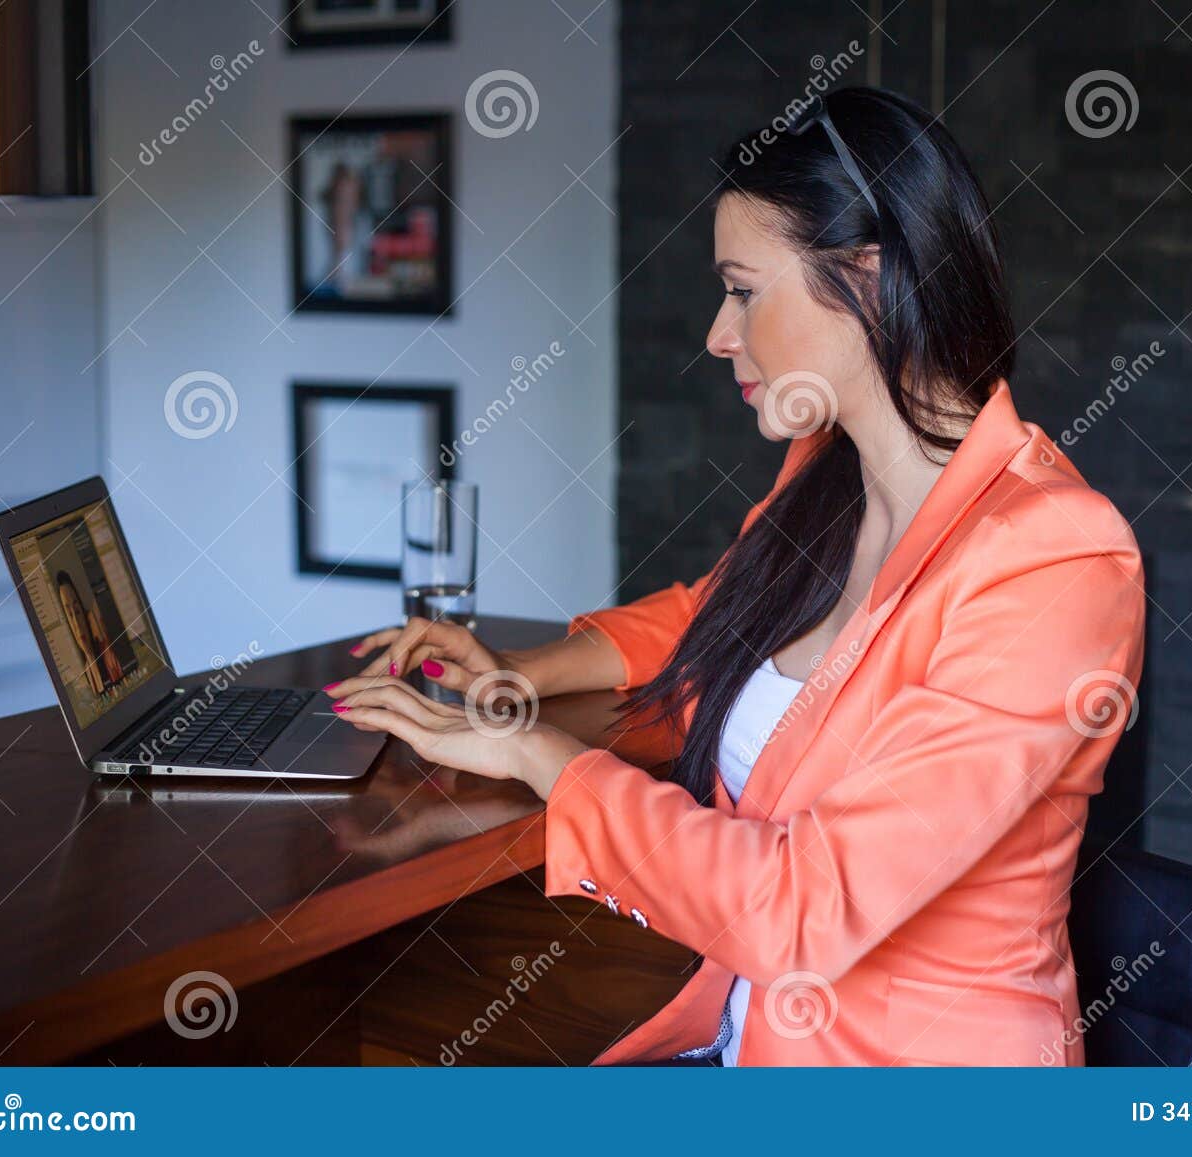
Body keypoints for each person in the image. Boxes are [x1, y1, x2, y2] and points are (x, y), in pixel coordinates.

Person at [324, 87, 1144, 1066]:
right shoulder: (829, 476)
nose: (719, 333)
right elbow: (710, 622)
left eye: (743, 290)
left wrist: (543, 756)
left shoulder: (1054, 559)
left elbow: (805, 909)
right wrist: (514, 675)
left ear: (869, 280)